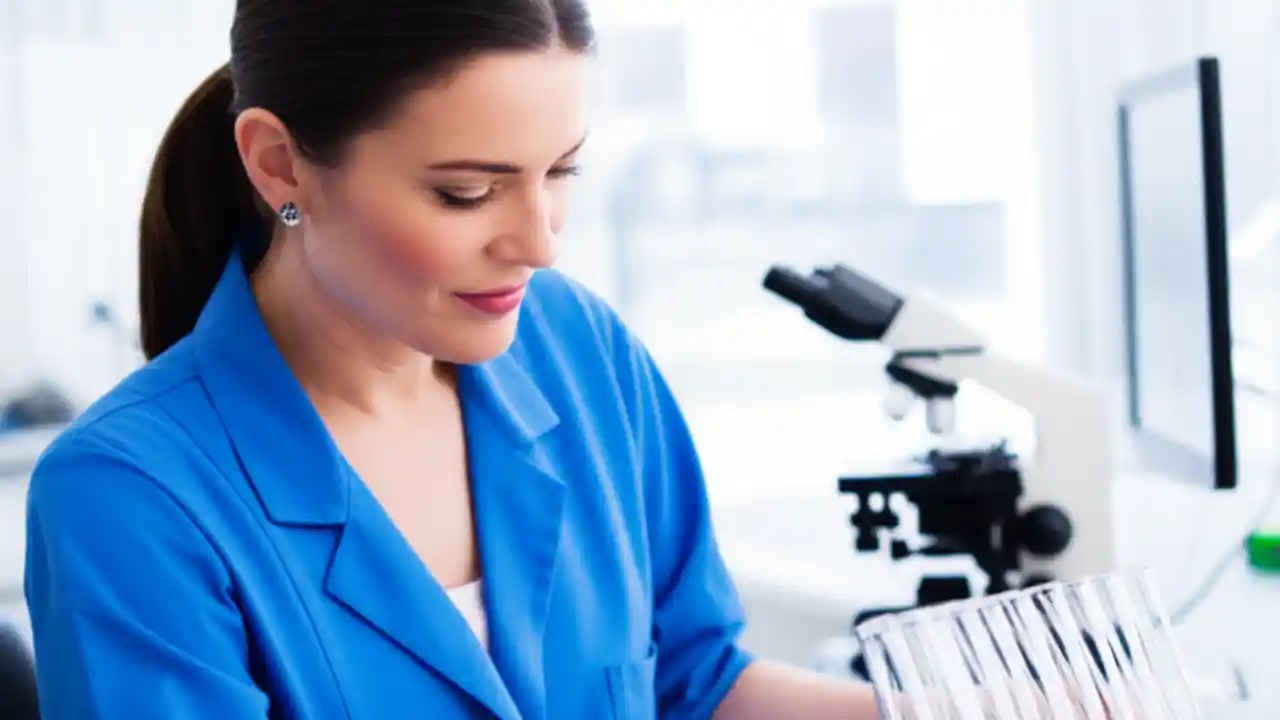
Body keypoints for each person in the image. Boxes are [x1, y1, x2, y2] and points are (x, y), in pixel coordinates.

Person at [23, 2, 880, 718]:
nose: (540, 243)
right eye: (465, 193)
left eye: (562, 171)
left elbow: (697, 686)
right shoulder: (128, 496)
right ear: (280, 166)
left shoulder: (583, 353)